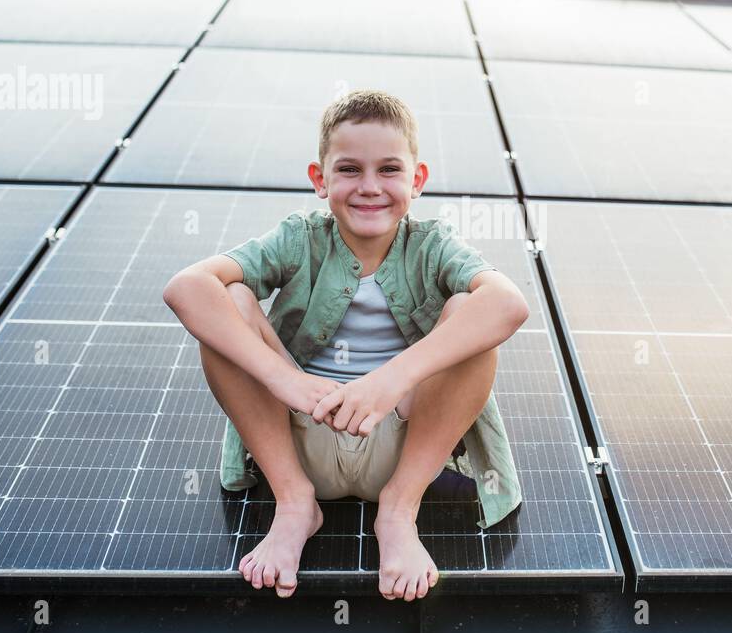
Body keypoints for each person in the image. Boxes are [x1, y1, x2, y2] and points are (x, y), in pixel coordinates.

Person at [162, 89, 528, 602]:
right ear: (321, 179)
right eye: (350, 169)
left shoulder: (433, 244)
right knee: (231, 300)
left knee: (472, 313)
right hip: (299, 435)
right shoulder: (299, 238)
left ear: (416, 180)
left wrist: (389, 380)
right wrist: (286, 380)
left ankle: (398, 514)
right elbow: (186, 287)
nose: (370, 188)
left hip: (402, 441)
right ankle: (294, 506)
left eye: (389, 170)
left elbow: (510, 305)